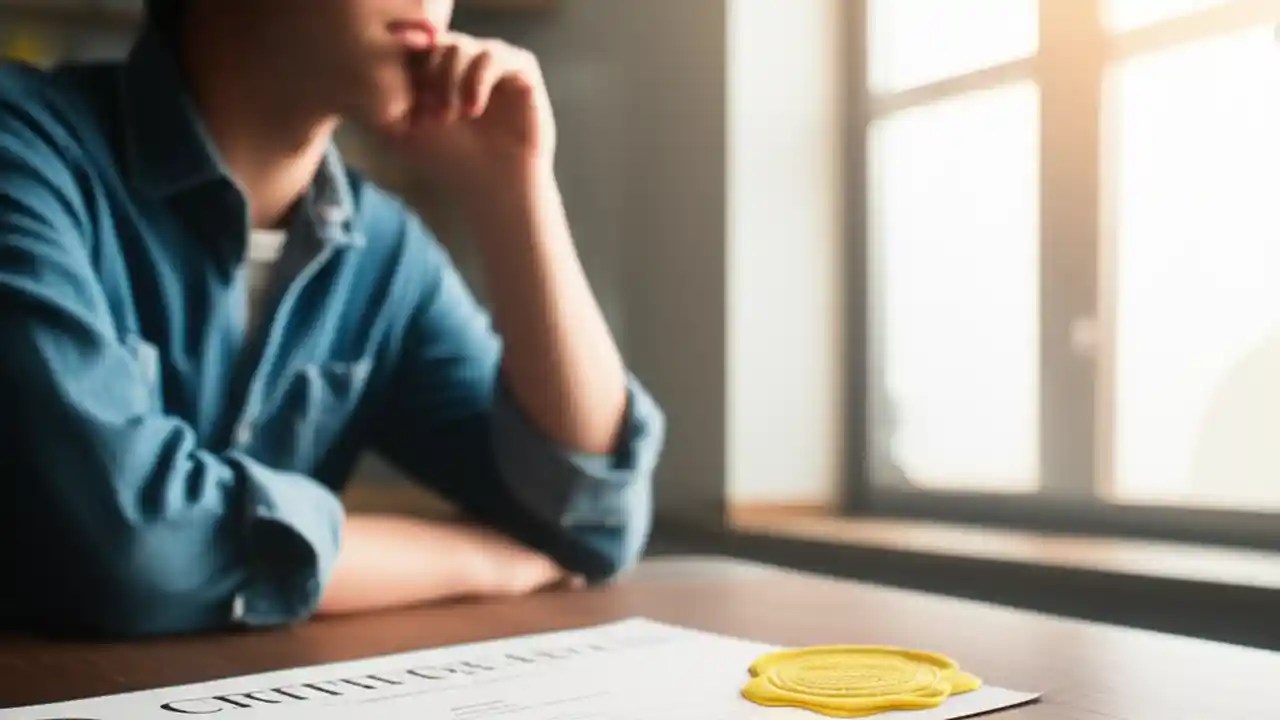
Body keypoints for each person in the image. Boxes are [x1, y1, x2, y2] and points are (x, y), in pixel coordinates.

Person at [0, 0, 664, 637]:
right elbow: (135, 549)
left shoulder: (381, 252)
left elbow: (588, 521)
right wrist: (476, 559)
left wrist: (513, 186)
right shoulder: (25, 153)